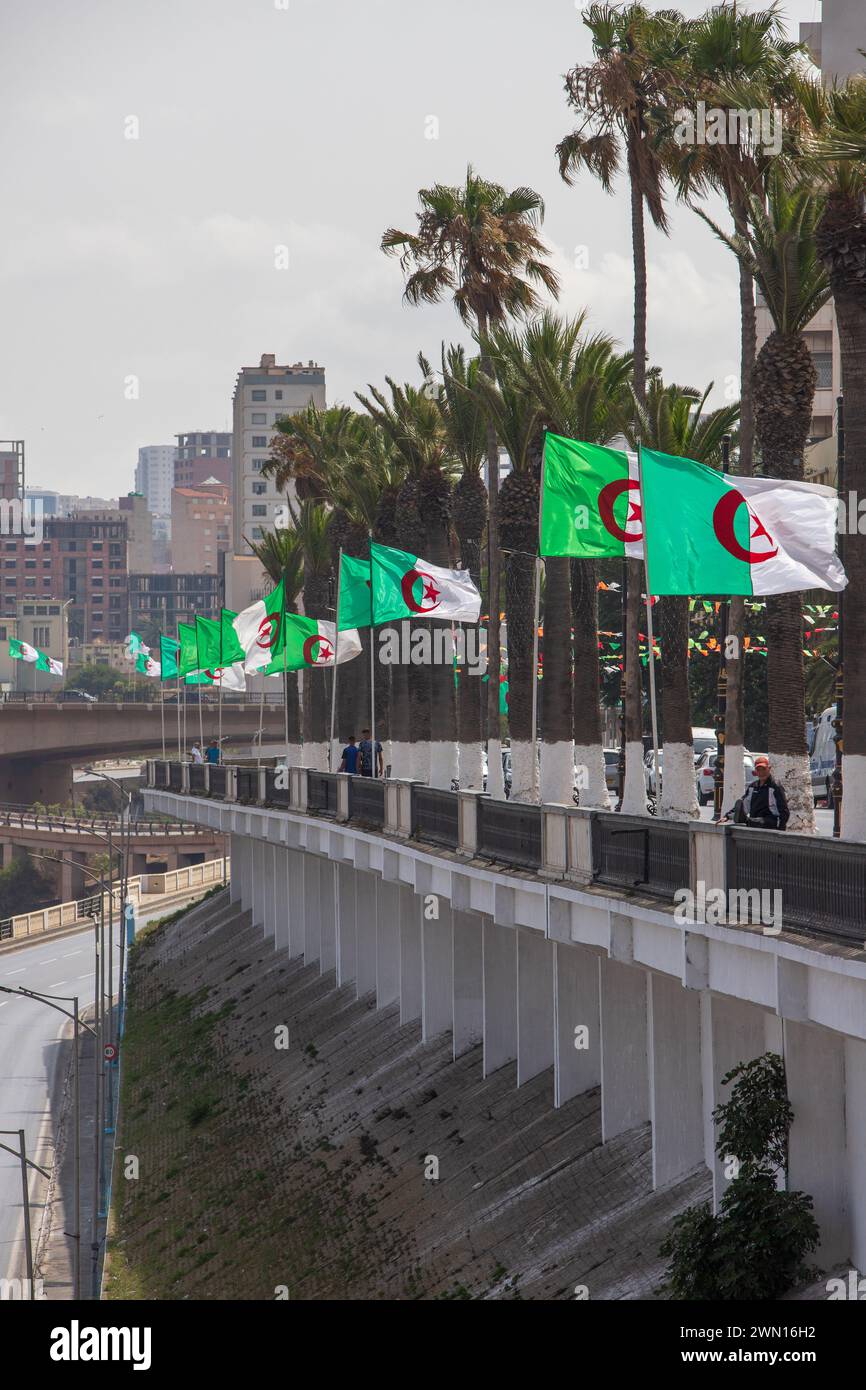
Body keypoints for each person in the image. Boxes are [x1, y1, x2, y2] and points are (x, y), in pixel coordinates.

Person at [723, 755, 789, 830]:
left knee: (756, 821)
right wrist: (727, 816)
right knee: (752, 821)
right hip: (755, 825)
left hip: (771, 824)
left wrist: (780, 829)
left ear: (769, 768)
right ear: (755, 771)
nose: (761, 772)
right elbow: (743, 805)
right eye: (758, 770)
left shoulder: (775, 787)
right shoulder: (752, 787)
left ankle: (748, 820)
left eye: (763, 769)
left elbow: (784, 811)